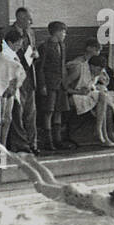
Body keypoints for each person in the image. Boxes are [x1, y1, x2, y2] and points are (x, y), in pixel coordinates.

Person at [9, 150, 114, 220]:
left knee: (51, 181)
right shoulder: (113, 209)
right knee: (40, 186)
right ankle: (19, 162)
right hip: (72, 194)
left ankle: (32, 161)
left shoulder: (112, 202)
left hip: (79, 190)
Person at [65, 42, 114, 146]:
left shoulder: (97, 72)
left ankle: (107, 134)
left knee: (106, 101)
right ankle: (101, 134)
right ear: (91, 66)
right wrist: (78, 92)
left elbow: (98, 83)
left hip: (86, 96)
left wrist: (100, 82)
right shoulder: (79, 68)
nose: (99, 72)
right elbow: (64, 87)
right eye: (98, 69)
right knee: (103, 98)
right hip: (72, 97)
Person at [5, 7, 40, 154]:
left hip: (29, 77)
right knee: (17, 113)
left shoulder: (30, 33)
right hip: (15, 77)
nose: (30, 21)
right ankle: (20, 144)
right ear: (19, 19)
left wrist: (35, 54)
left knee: (31, 113)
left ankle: (32, 143)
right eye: (27, 19)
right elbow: (2, 56)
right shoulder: (6, 33)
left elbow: (32, 49)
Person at [38, 20, 74, 152]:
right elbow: (40, 68)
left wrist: (65, 81)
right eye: (63, 31)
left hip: (61, 83)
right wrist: (42, 85)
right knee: (49, 111)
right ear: (56, 32)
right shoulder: (45, 47)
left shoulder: (62, 45)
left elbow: (62, 65)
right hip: (50, 83)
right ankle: (48, 141)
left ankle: (58, 140)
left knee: (59, 111)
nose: (65, 34)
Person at [0, 28, 27, 151]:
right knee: (0, 118)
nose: (19, 47)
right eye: (17, 44)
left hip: (12, 90)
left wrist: (15, 86)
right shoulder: (2, 56)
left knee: (8, 118)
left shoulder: (14, 56)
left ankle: (3, 144)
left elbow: (21, 72)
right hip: (3, 90)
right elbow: (1, 74)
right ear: (9, 43)